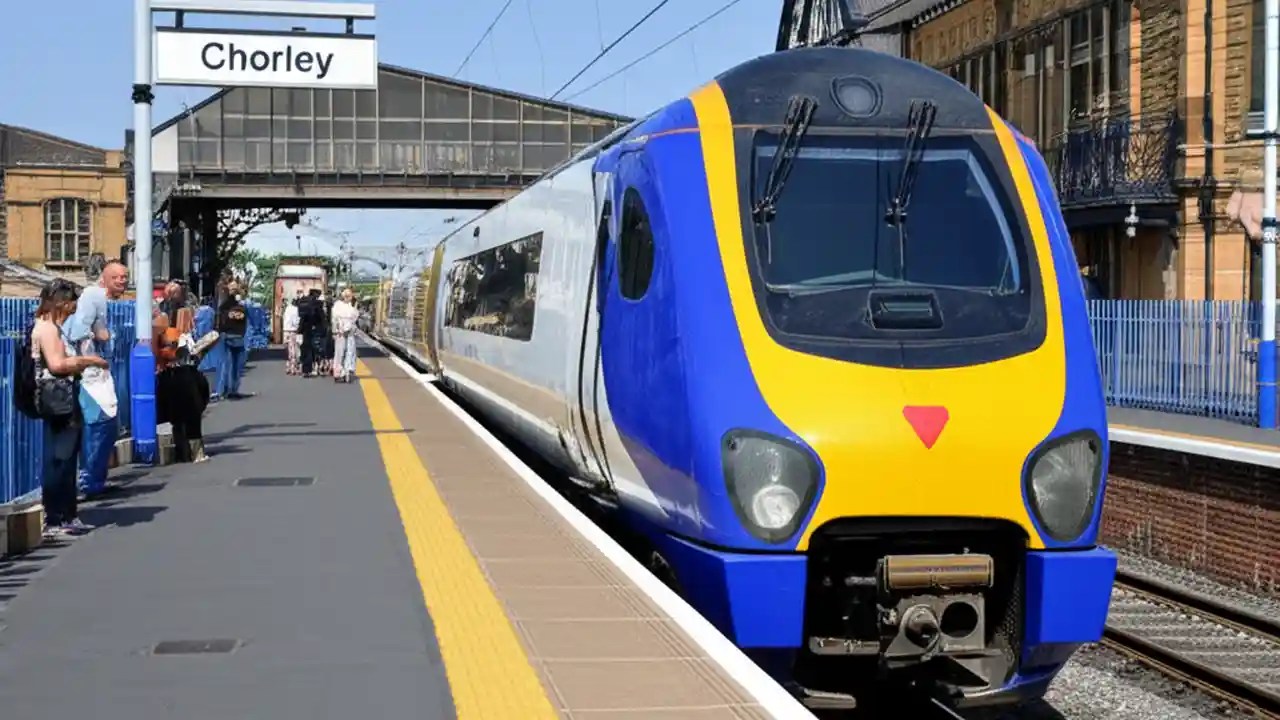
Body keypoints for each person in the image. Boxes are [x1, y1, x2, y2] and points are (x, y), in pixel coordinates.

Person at [31, 280, 110, 537]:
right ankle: (57, 517)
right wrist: (88, 360)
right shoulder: (48, 329)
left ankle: (65, 515)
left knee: (64, 457)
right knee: (60, 458)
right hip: (59, 397)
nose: (75, 308)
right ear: (62, 303)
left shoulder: (50, 326)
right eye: (73, 302)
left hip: (60, 395)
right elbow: (56, 365)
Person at [65, 259, 128, 498]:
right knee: (100, 425)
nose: (122, 281)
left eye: (124, 276)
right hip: (91, 374)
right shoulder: (93, 295)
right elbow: (77, 332)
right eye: (117, 277)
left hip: (95, 372)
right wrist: (100, 335)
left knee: (104, 426)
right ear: (104, 278)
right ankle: (89, 482)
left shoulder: (99, 299)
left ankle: (95, 479)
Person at [155, 308, 210, 463]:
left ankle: (184, 451)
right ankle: (194, 451)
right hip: (180, 376)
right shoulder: (177, 335)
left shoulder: (173, 335)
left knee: (177, 417)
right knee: (188, 415)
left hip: (171, 376)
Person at [215, 281, 251, 399]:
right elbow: (245, 324)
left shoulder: (223, 307)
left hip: (227, 336)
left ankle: (224, 390)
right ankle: (234, 389)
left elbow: (221, 323)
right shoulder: (242, 308)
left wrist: (220, 332)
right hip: (239, 337)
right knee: (236, 365)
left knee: (226, 364)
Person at [331, 286, 360, 383]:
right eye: (347, 296)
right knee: (342, 352)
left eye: (350, 296)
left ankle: (345, 370)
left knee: (348, 351)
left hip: (346, 331)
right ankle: (341, 370)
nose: (348, 298)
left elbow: (354, 318)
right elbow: (336, 319)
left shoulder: (344, 306)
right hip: (342, 331)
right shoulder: (339, 305)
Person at [282, 293, 301, 376]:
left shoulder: (287, 308)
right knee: (294, 349)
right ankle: (293, 367)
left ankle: (288, 366)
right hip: (293, 330)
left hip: (286, 330)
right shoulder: (295, 309)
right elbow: (295, 321)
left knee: (288, 349)